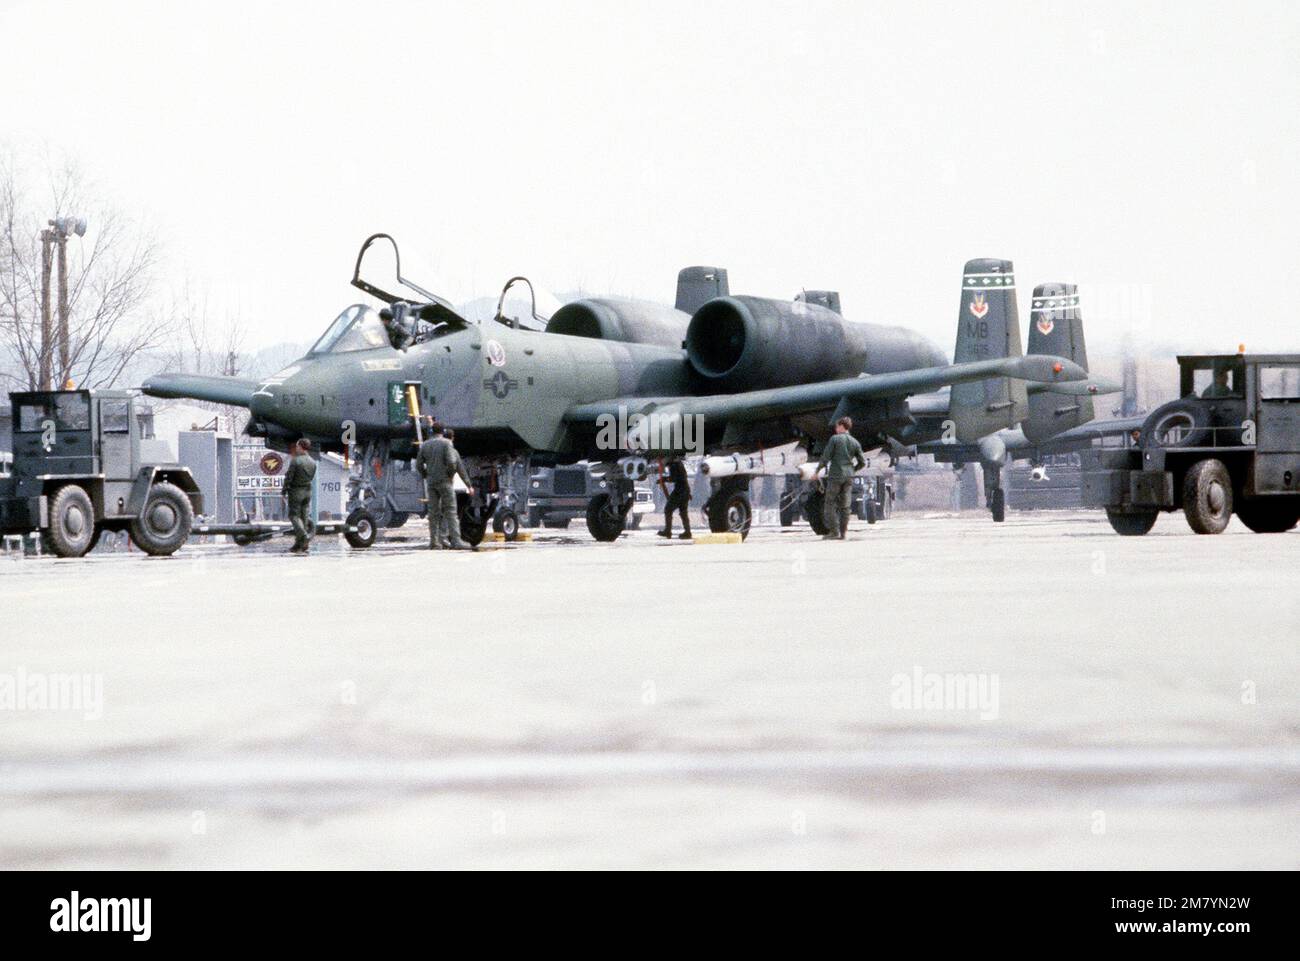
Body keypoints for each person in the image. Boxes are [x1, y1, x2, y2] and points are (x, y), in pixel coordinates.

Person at [416, 422, 476, 550]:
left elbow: (419, 465)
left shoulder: (425, 445)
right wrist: (449, 474)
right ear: (442, 431)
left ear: (432, 431)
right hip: (445, 481)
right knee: (451, 511)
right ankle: (456, 541)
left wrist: (426, 475)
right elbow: (452, 462)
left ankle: (434, 542)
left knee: (433, 513)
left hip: (431, 482)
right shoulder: (447, 444)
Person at [817, 416, 866, 540]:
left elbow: (826, 457)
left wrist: (817, 470)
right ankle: (843, 533)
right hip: (849, 476)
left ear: (841, 426)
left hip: (836, 476)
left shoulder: (835, 439)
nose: (835, 428)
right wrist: (853, 470)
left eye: (837, 426)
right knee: (845, 506)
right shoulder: (855, 442)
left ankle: (834, 532)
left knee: (829, 504)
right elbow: (862, 462)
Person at [282, 438, 317, 554]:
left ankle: (304, 536)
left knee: (294, 516)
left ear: (301, 447)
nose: (296, 448)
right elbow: (311, 477)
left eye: (297, 446)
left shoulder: (296, 461)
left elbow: (289, 477)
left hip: (296, 491)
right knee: (304, 518)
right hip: (308, 491)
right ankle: (300, 545)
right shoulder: (312, 462)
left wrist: (284, 491)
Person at [658, 458, 692, 540]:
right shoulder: (678, 463)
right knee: (683, 512)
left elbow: (674, 478)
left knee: (668, 509)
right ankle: (687, 532)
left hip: (679, 491)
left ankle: (668, 531)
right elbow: (683, 477)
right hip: (685, 490)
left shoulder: (673, 465)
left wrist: (664, 479)